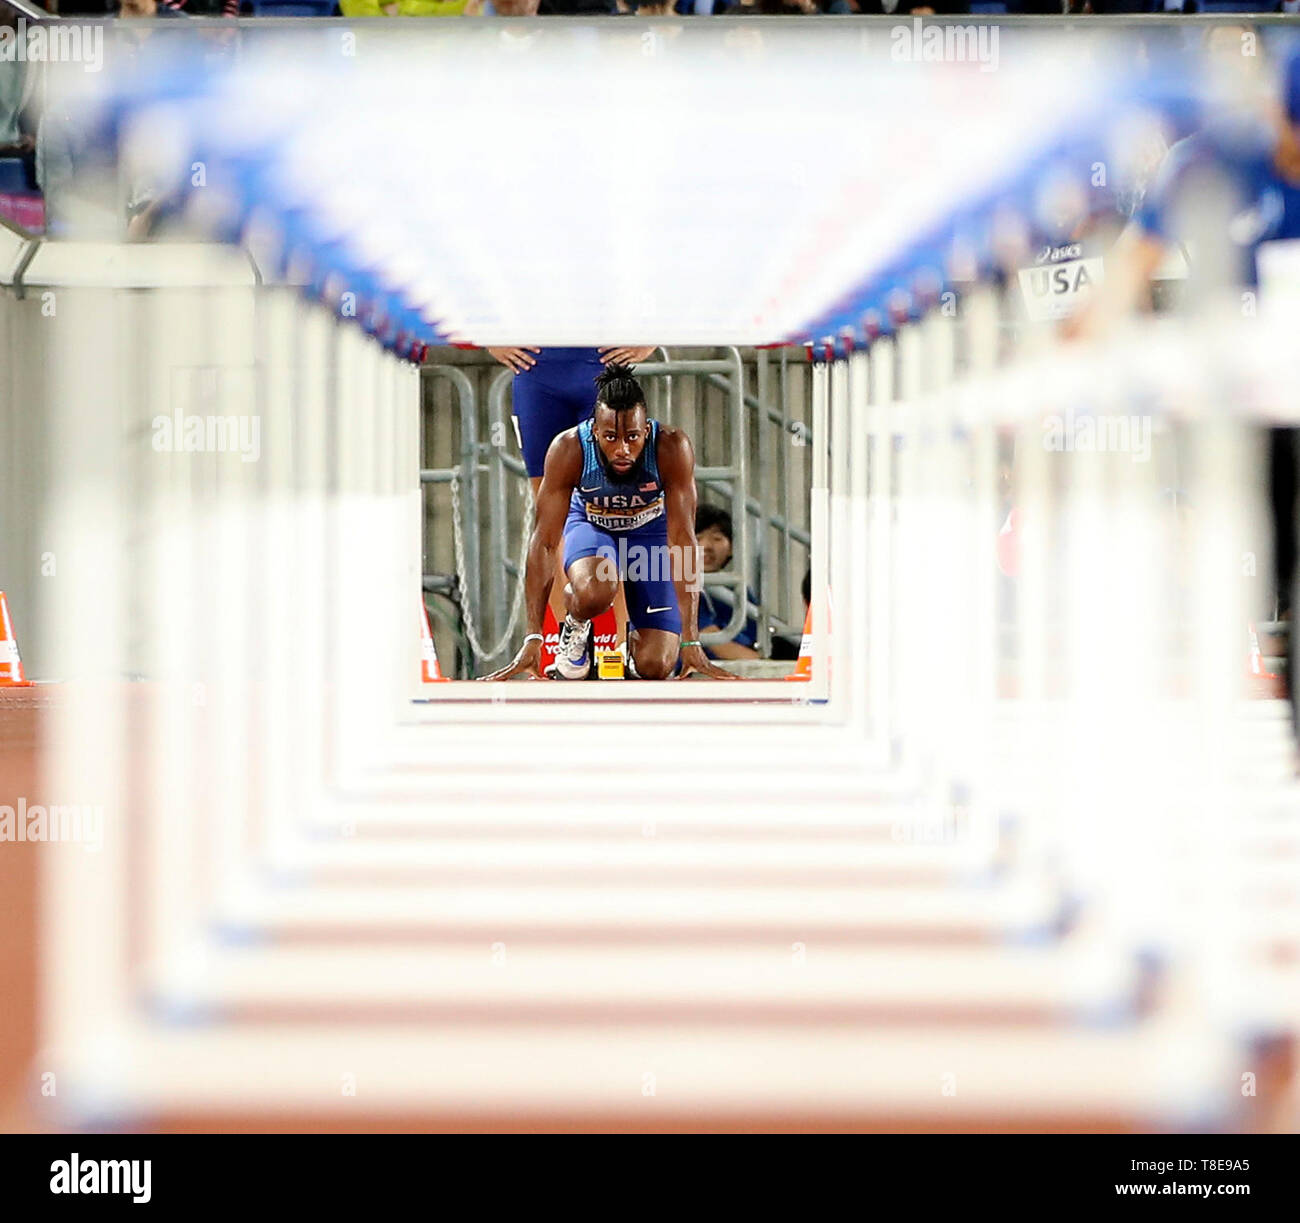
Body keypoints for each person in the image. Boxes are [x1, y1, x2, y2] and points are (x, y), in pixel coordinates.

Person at [484, 364, 736, 681]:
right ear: (593, 432)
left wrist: (691, 638)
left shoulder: (671, 447)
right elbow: (545, 543)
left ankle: (632, 649)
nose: (622, 449)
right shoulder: (569, 448)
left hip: (649, 535)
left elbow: (683, 541)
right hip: (592, 527)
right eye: (610, 437)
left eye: (632, 437)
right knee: (595, 591)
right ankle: (575, 628)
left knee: (656, 666)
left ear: (646, 430)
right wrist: (533, 636)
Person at [694, 504, 761, 660]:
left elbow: (756, 637)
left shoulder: (737, 589)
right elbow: (715, 641)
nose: (706, 546)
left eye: (717, 538)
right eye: (697, 539)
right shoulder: (680, 588)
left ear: (731, 547)